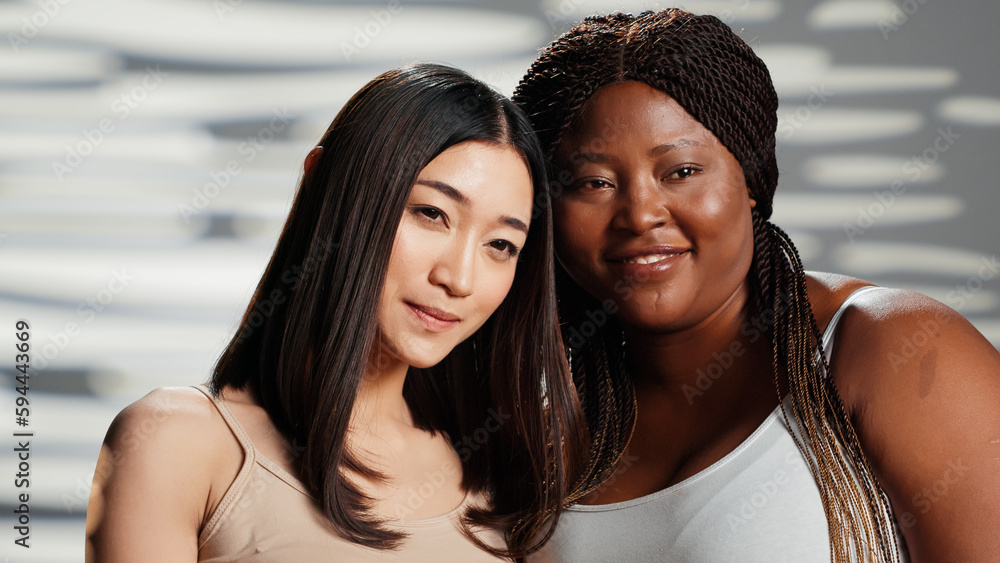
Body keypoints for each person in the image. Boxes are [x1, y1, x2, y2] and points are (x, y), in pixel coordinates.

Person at [514, 9, 1000, 562]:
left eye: (682, 172)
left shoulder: (896, 349)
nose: (641, 214)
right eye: (593, 182)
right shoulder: (538, 426)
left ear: (751, 179)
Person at [85, 63, 585, 562]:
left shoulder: (507, 472)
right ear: (322, 185)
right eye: (431, 213)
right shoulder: (176, 440)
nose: (459, 278)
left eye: (501, 244)